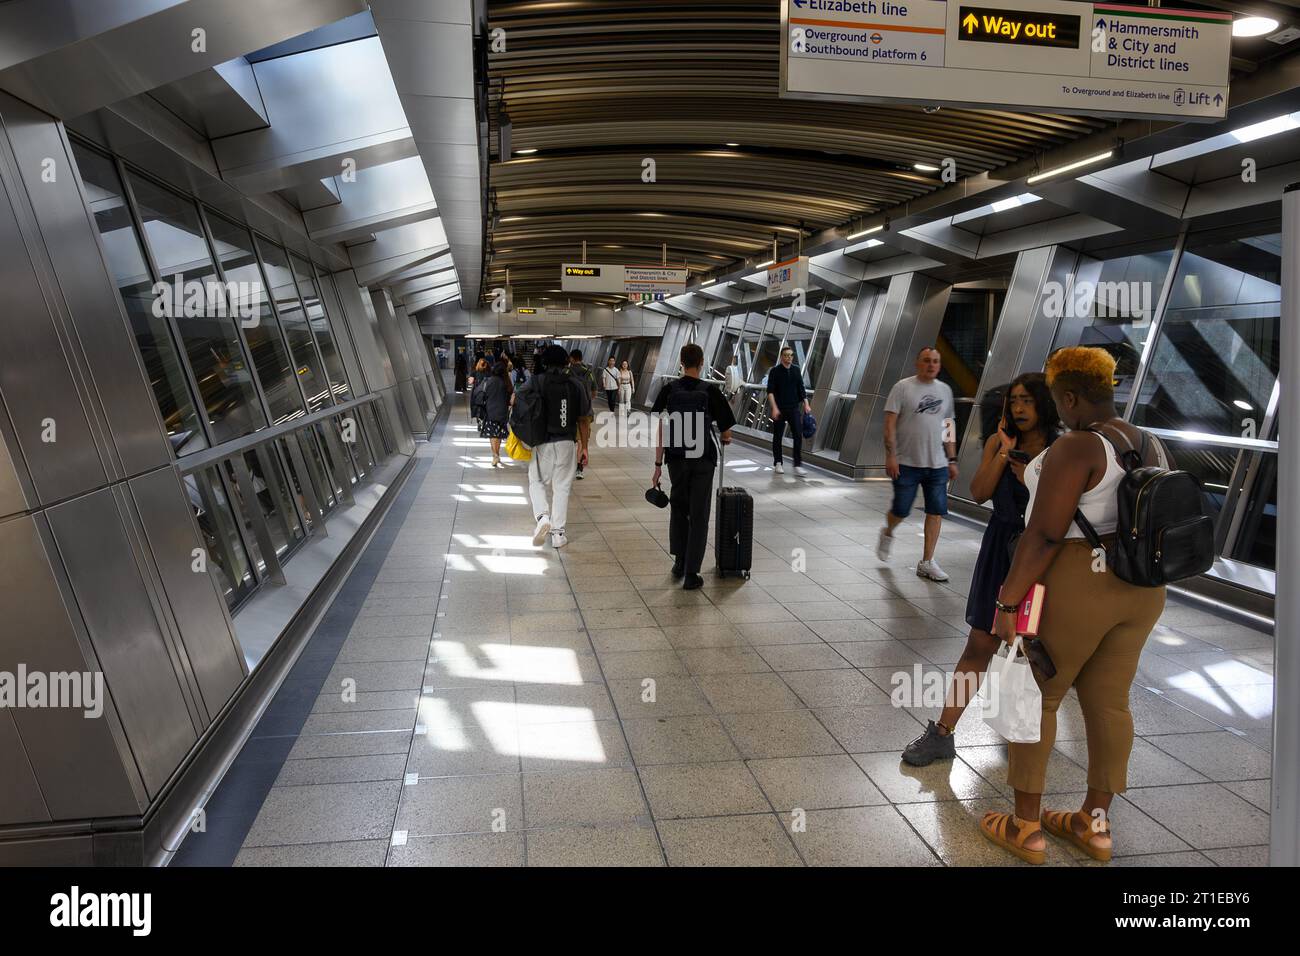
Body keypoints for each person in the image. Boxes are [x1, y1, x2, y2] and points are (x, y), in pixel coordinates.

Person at [978, 347, 1170, 865]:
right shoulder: (1149, 441)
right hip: (1143, 589)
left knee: (1034, 696)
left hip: (1080, 583)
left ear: (1067, 396)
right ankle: (1095, 823)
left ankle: (1026, 829)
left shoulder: (1078, 447)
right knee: (1110, 704)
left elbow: (1042, 535)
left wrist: (1007, 602)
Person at [902, 373, 1060, 766]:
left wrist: (1031, 477)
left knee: (1038, 648)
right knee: (980, 643)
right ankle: (943, 732)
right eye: (1013, 401)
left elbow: (1058, 511)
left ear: (1045, 404)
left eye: (1026, 401)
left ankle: (1031, 735)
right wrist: (1004, 453)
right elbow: (978, 492)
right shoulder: (999, 442)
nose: (1018, 409)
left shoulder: (1062, 451)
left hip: (1041, 556)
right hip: (1000, 550)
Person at [651, 343, 736, 590]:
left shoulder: (669, 390)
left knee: (679, 509)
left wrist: (658, 464)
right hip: (702, 461)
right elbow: (727, 431)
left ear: (681, 362)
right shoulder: (711, 391)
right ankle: (691, 573)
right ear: (701, 363)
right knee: (699, 515)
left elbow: (662, 430)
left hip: (676, 461)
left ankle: (678, 562)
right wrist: (725, 437)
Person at [878, 346, 958, 582]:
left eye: (935, 361)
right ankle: (888, 531)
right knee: (901, 509)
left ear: (939, 365)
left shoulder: (945, 390)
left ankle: (927, 562)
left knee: (936, 511)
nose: (931, 365)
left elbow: (949, 426)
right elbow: (889, 424)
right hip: (907, 462)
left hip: (938, 464)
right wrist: (890, 455)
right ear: (917, 363)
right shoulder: (902, 387)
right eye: (926, 360)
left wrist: (952, 459)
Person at [523, 345, 590, 549]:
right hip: (567, 442)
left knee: (536, 481)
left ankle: (543, 517)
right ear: (566, 362)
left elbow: (518, 400)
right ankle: (558, 534)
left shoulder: (536, 381)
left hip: (542, 442)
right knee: (562, 487)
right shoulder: (576, 384)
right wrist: (584, 447)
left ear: (544, 362)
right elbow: (584, 419)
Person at [766, 346, 812, 476]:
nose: (789, 358)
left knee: (798, 434)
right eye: (786, 355)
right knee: (778, 436)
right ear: (781, 357)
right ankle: (778, 462)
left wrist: (806, 404)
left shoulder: (796, 370)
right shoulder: (775, 371)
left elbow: (801, 388)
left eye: (791, 355)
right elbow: (770, 391)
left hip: (793, 408)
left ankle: (797, 464)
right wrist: (774, 408)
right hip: (779, 409)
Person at [566, 349, 597, 480]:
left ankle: (567, 467)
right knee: (582, 442)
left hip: (570, 413)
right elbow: (594, 392)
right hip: (586, 413)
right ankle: (579, 468)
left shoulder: (567, 372)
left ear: (571, 359)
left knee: (569, 441)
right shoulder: (589, 373)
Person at [478, 360, 513, 468]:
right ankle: (496, 454)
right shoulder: (506, 382)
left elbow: (483, 395)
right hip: (502, 412)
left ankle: (495, 455)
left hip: (490, 411)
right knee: (498, 435)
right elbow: (509, 398)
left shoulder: (489, 381)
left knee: (492, 435)